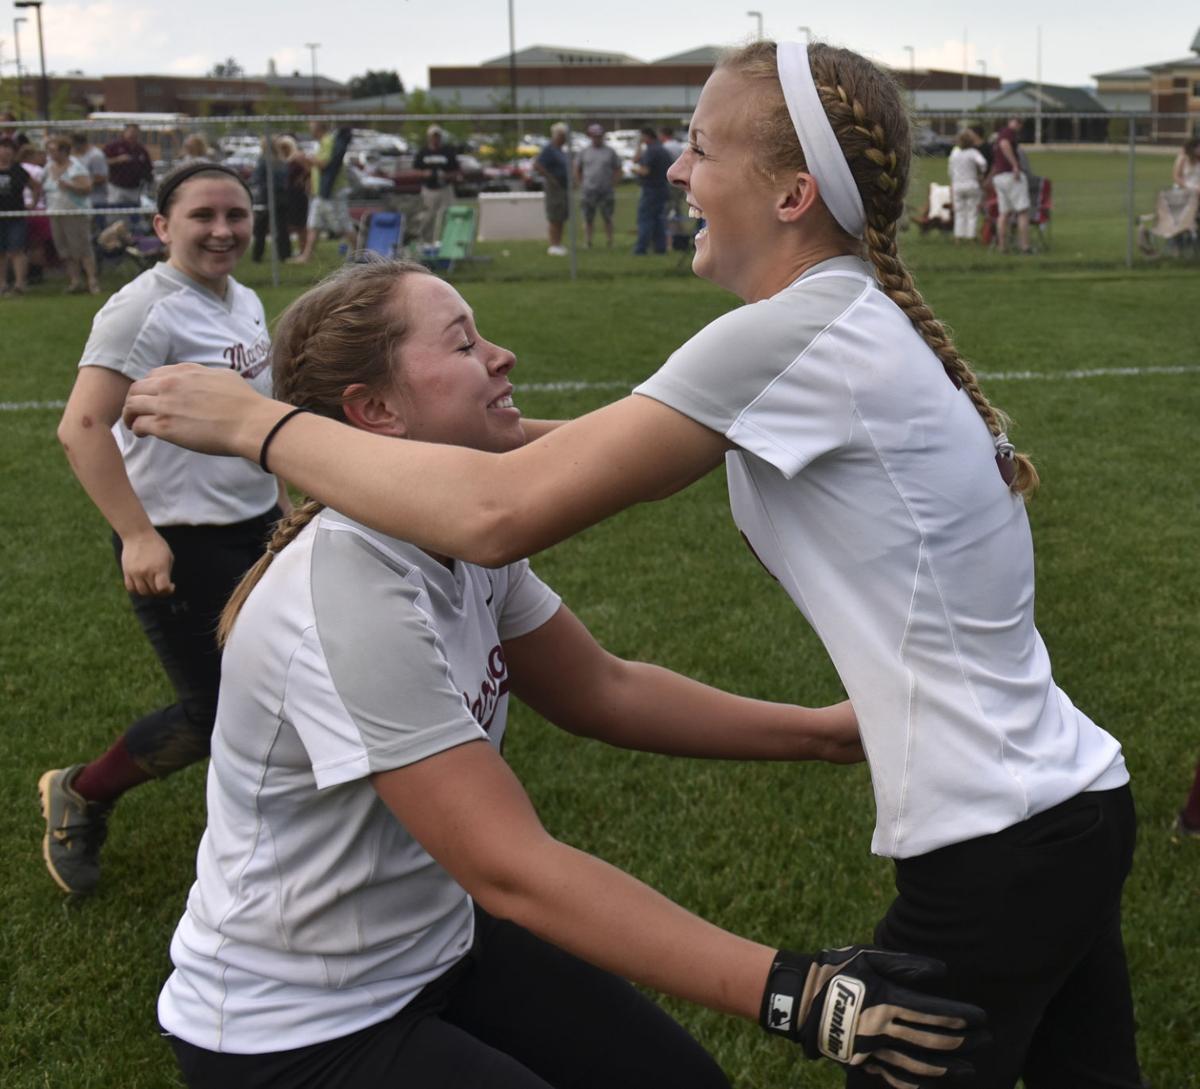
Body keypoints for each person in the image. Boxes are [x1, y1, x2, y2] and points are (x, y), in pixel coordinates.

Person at [126, 40, 1142, 1089]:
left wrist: (263, 425)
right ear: (375, 410)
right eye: (466, 345)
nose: (673, 170)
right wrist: (819, 756)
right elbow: (556, 514)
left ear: (792, 192)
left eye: (698, 146)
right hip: (1062, 800)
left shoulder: (792, 336)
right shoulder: (836, 326)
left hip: (1002, 834)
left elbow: (506, 516)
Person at [155, 256, 984, 1089]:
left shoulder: (455, 537)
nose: (502, 354)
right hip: (294, 1028)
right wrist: (794, 992)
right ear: (376, 411)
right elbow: (510, 866)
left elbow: (602, 690)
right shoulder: (346, 595)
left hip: (438, 944)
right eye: (465, 342)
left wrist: (824, 732)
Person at [41, 161, 291, 898]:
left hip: (256, 528)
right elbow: (81, 427)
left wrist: (280, 503)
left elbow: (255, 417)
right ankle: (82, 791)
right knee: (216, 709)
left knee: (282, 687)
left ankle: (283, 833)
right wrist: (139, 535)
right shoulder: (144, 310)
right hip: (181, 541)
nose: (223, 231)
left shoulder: (240, 297)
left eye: (236, 215)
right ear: (161, 227)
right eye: (203, 217)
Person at [42, 135, 100, 294]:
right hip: (55, 211)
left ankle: (92, 281)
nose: (50, 154)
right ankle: (75, 281)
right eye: (49, 150)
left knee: (81, 248)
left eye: (53, 150)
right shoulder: (48, 167)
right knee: (64, 249)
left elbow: (87, 188)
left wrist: (69, 185)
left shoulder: (76, 167)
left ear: (64, 151)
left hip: (75, 212)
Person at [292, 121, 356, 264]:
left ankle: (359, 252)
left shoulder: (328, 141)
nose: (310, 131)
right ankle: (306, 256)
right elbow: (316, 168)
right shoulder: (321, 143)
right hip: (321, 192)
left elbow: (325, 164)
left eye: (311, 128)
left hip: (333, 191)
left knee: (343, 223)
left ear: (318, 128)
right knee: (313, 224)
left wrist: (306, 157)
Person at [0, 135, 39, 295]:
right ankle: (2, 284)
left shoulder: (18, 170)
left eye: (9, 148)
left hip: (16, 216)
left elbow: (36, 187)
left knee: (17, 250)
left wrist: (33, 204)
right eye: (2, 147)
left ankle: (19, 285)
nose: (5, 151)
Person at [575, 123, 622, 248]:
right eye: (594, 136)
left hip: (606, 190)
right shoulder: (584, 152)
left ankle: (610, 241)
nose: (597, 138)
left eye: (599, 136)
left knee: (608, 217)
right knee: (588, 218)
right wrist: (581, 184)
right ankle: (588, 241)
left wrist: (613, 183)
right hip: (589, 190)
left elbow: (618, 168)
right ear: (590, 136)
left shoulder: (610, 152)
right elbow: (577, 169)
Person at [989, 117, 1031, 255]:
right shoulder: (1008, 133)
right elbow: (1005, 144)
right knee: (1023, 211)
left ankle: (1002, 246)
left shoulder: (999, 134)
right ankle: (1024, 246)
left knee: (1004, 213)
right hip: (1010, 176)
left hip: (999, 177)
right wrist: (1015, 165)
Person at [413, 123, 460, 245]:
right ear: (429, 137)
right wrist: (424, 174)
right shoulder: (423, 152)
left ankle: (446, 240)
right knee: (428, 216)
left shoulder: (448, 152)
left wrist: (445, 175)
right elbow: (415, 170)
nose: (435, 139)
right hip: (429, 189)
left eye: (437, 136)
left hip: (445, 188)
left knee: (447, 214)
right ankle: (426, 241)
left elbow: (456, 171)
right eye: (433, 136)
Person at [249, 135, 291, 262]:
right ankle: (284, 254)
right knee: (282, 227)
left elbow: (257, 179)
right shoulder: (281, 160)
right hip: (282, 196)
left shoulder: (263, 160)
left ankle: (257, 255)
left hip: (266, 196)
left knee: (261, 228)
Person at [632, 126, 672, 255]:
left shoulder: (652, 151)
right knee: (658, 219)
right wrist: (639, 145)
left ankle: (641, 248)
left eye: (641, 137)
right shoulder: (661, 149)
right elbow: (636, 159)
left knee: (645, 219)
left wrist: (634, 170)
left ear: (647, 136)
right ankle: (660, 248)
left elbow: (645, 170)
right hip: (662, 188)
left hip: (651, 190)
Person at [533, 121, 570, 256]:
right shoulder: (549, 149)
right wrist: (551, 178)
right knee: (555, 216)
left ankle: (559, 243)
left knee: (561, 216)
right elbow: (537, 165)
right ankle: (553, 244)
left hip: (563, 187)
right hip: (555, 188)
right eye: (563, 135)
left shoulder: (560, 150)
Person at [948, 129, 987, 244]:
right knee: (972, 212)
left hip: (957, 185)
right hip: (972, 184)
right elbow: (983, 163)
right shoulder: (974, 152)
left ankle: (958, 237)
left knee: (959, 212)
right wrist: (981, 172)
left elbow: (950, 170)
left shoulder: (955, 152)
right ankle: (971, 237)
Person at [104, 123, 154, 205]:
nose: (132, 134)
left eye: (135, 132)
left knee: (134, 214)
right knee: (116, 213)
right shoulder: (114, 146)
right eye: (130, 131)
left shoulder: (141, 149)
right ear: (124, 132)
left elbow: (148, 167)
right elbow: (104, 161)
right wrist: (117, 159)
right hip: (117, 187)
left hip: (134, 188)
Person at [72, 130, 110, 207]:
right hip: (80, 200)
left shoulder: (96, 156)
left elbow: (102, 177)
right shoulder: (76, 155)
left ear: (78, 144)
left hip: (96, 200)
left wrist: (83, 184)